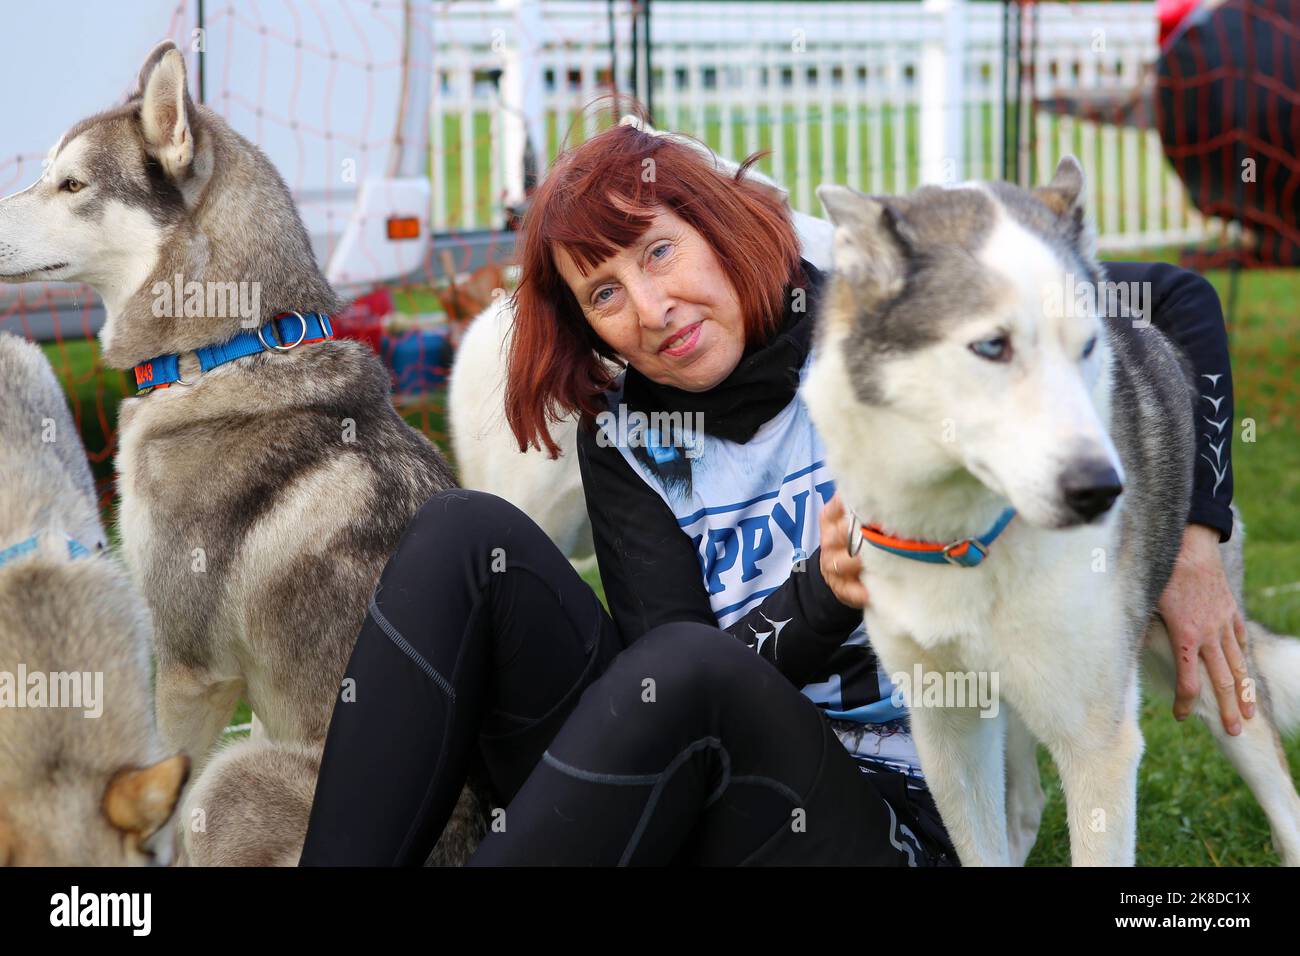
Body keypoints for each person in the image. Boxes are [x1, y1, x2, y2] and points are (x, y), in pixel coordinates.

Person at [298, 106, 1245, 866]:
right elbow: (668, 668)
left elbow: (1177, 301)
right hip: (682, 774)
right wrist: (819, 597)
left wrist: (1194, 536)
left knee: (691, 668)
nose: (651, 309)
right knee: (465, 535)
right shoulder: (628, 435)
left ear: (717, 225)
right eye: (605, 294)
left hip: (874, 813)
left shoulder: (874, 312)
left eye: (658, 252)